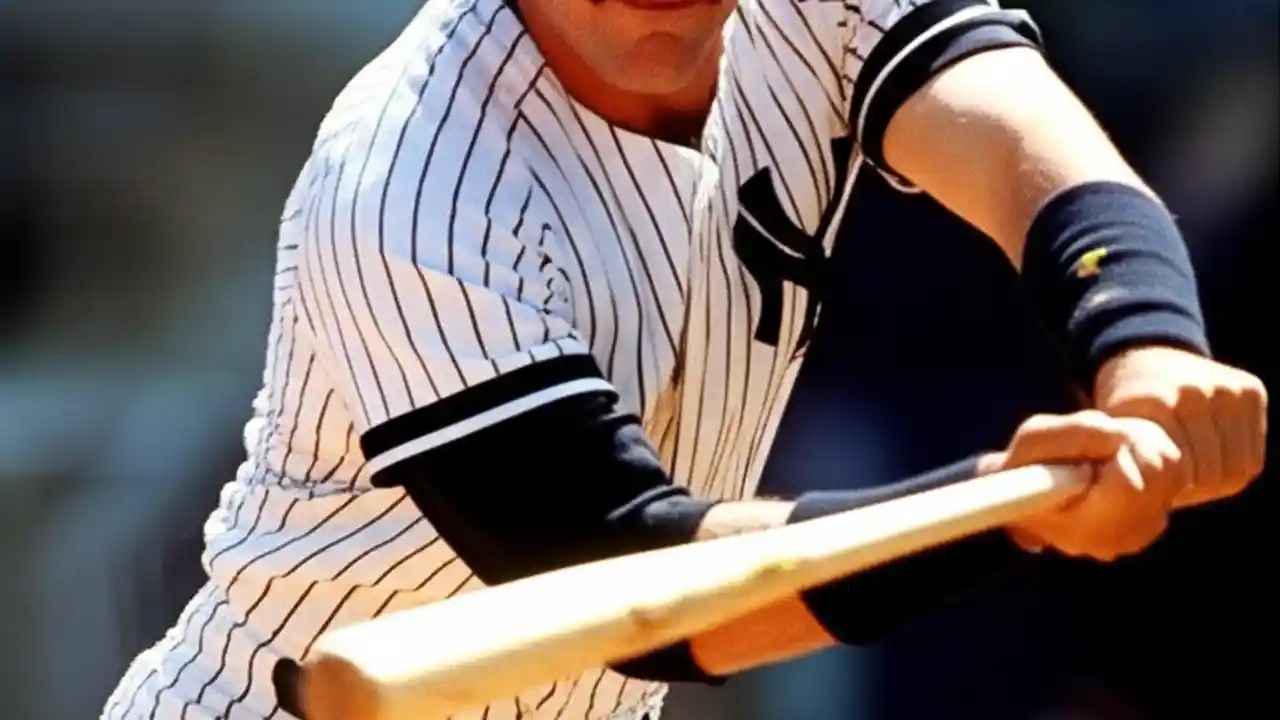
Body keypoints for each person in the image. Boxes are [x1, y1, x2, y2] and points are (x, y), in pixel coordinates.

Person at [101, 0, 1268, 717]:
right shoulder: (410, 180)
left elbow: (1028, 148)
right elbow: (631, 581)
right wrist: (1005, 513)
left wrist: (1144, 347)